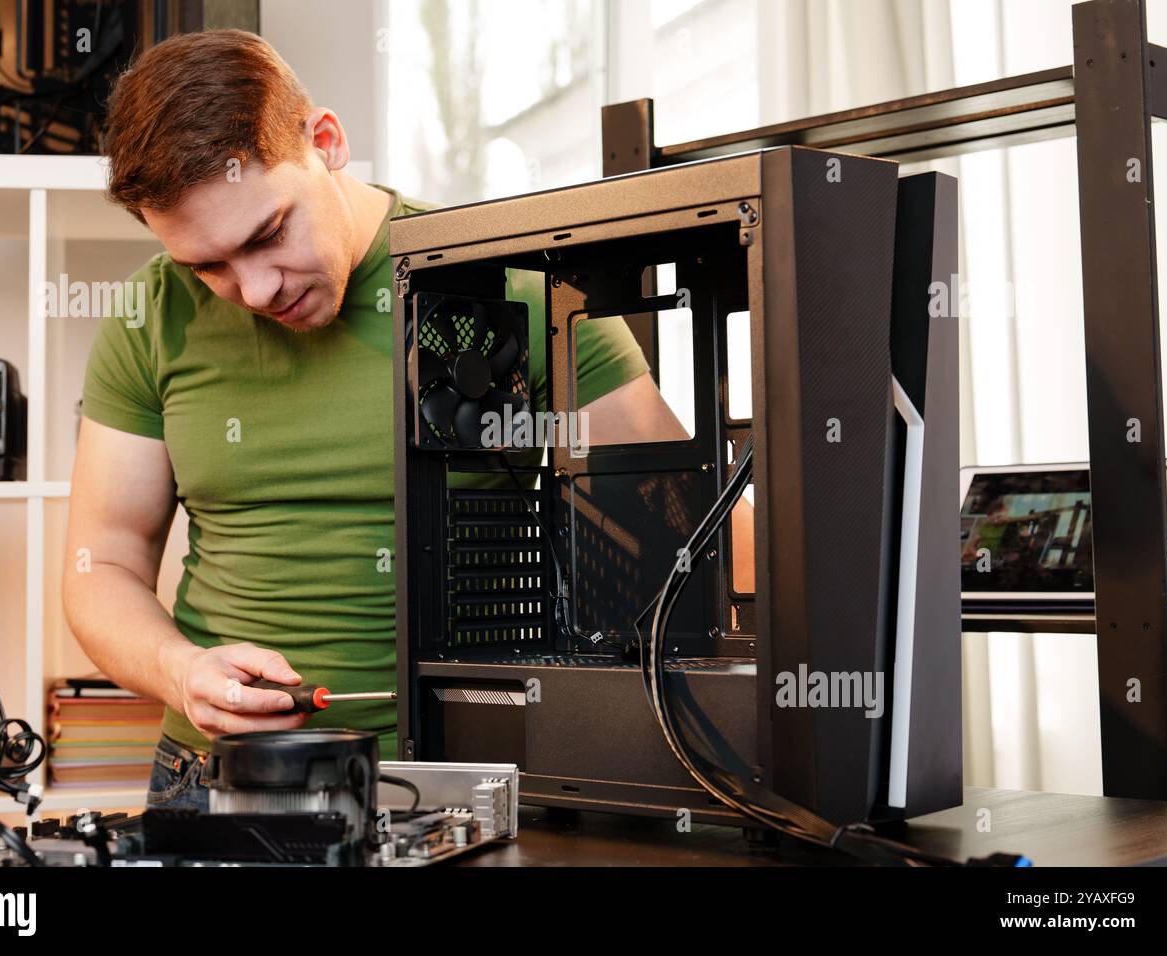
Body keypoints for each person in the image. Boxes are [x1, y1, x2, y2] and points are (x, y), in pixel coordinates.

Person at [62, 29, 743, 812]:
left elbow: (691, 527)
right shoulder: (149, 317)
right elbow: (102, 567)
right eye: (207, 266)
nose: (252, 291)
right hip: (217, 781)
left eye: (268, 235)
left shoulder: (513, 282)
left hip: (459, 783)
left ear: (326, 142)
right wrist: (179, 670)